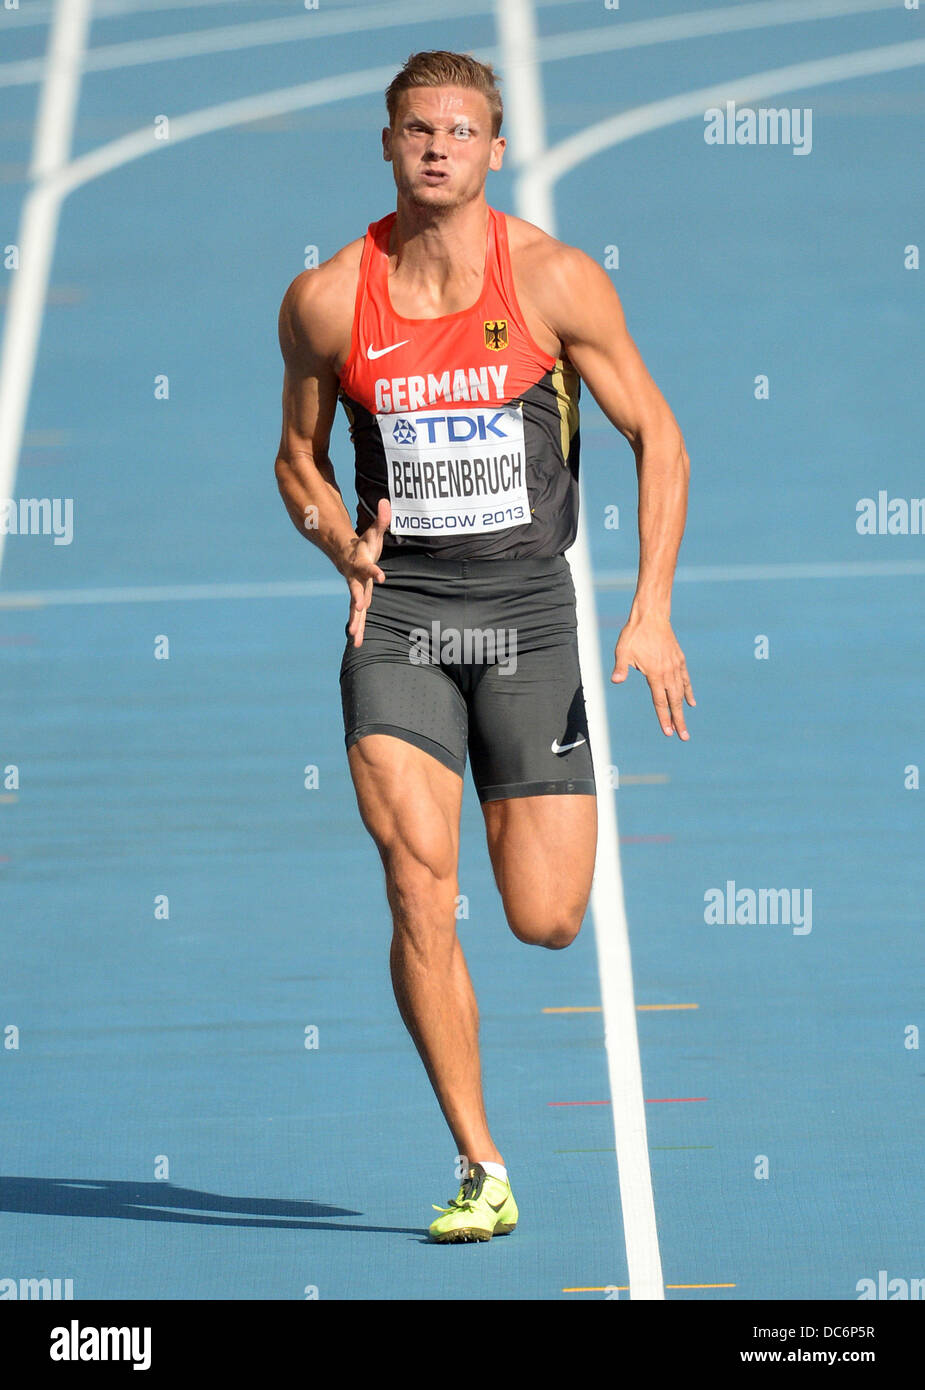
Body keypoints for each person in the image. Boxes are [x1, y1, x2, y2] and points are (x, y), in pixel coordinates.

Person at [275, 50, 694, 1243]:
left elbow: (657, 436)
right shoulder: (326, 298)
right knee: (417, 880)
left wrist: (650, 606)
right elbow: (295, 462)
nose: (440, 146)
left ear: (495, 150)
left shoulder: (555, 282)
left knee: (546, 917)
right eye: (419, 129)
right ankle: (479, 1162)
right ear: (389, 143)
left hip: (526, 616)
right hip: (400, 613)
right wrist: (337, 544)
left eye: (463, 130)